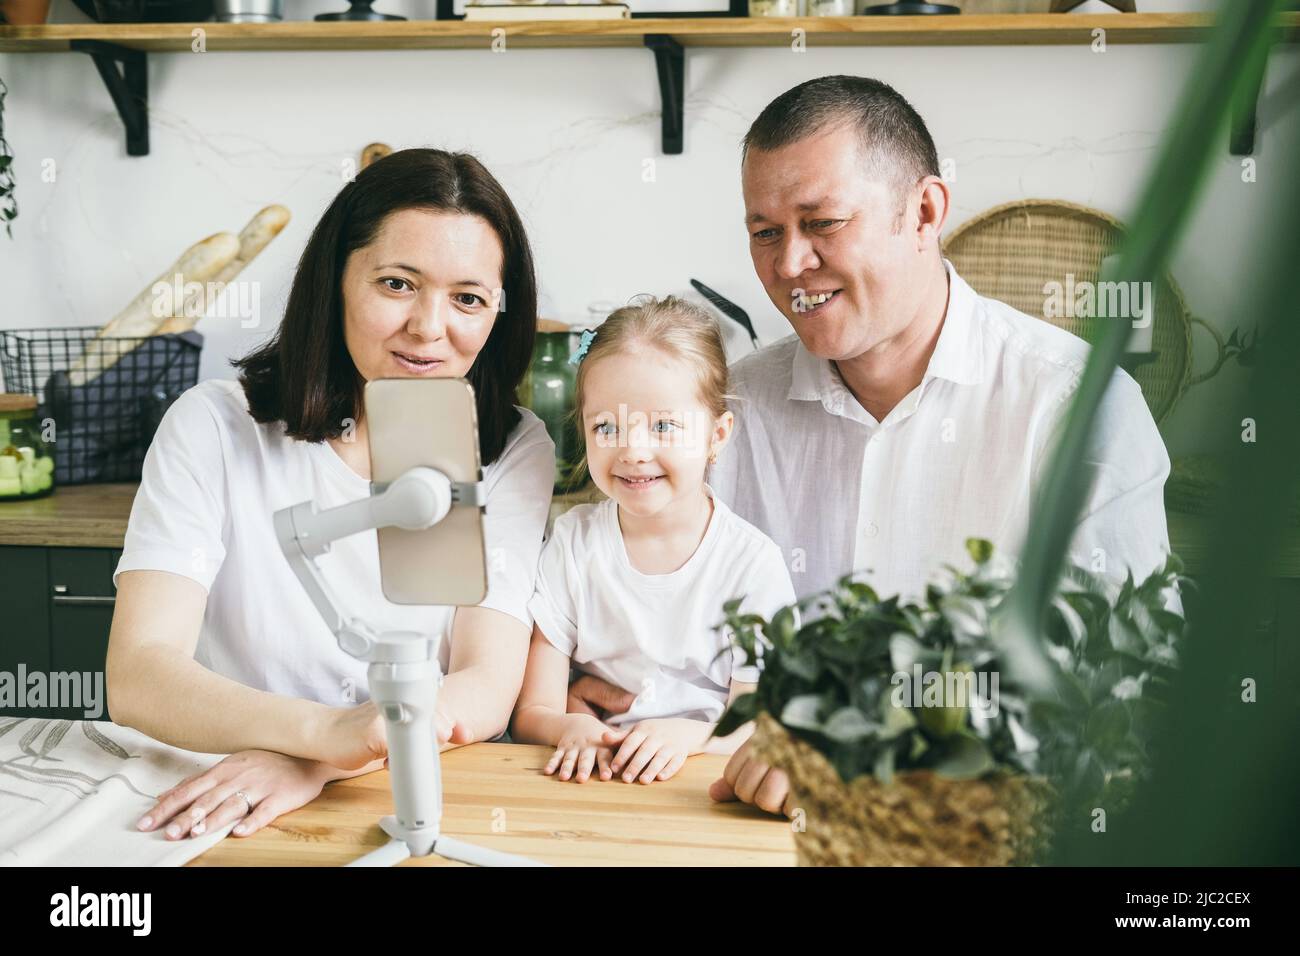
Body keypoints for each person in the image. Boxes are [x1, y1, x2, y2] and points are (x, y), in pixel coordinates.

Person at [573, 76, 1174, 818]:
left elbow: (1121, 686)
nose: (789, 265)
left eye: (821, 222)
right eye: (764, 232)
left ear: (924, 211)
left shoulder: (1077, 406)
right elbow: (647, 630)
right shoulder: (729, 415)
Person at [106, 148, 556, 841]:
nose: (430, 328)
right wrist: (322, 733)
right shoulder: (214, 426)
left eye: (468, 298)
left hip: (419, 793)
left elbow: (485, 684)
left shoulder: (512, 446)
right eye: (398, 284)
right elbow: (138, 673)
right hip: (228, 800)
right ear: (336, 279)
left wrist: (321, 765)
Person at [511, 297, 796, 785]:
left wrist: (693, 737)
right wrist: (571, 725)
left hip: (703, 785)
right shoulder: (573, 544)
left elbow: (762, 722)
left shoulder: (751, 565)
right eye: (607, 426)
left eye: (663, 426)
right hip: (594, 780)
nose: (633, 451)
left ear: (717, 434)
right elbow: (532, 709)